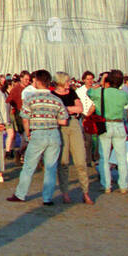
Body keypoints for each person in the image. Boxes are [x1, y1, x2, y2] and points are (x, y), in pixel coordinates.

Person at [6, 70, 67, 205]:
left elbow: (25, 118)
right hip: (54, 133)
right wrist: (50, 119)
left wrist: (28, 133)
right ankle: (47, 198)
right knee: (50, 167)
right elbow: (63, 121)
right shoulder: (56, 100)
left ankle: (20, 194)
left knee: (29, 166)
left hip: (38, 133)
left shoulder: (31, 99)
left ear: (38, 82)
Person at [53, 72, 94, 204]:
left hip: (74, 124)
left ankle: (85, 192)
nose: (69, 83)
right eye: (67, 81)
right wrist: (70, 109)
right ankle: (65, 192)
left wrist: (65, 109)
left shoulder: (72, 93)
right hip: (60, 126)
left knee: (80, 161)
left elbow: (80, 108)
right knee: (63, 162)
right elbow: (56, 111)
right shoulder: (53, 95)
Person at [92, 69, 128, 194]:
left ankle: (106, 185)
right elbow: (127, 103)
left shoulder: (102, 92)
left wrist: (102, 82)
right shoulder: (122, 94)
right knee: (121, 156)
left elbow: (90, 92)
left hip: (105, 124)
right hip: (119, 124)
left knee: (104, 157)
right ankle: (123, 185)